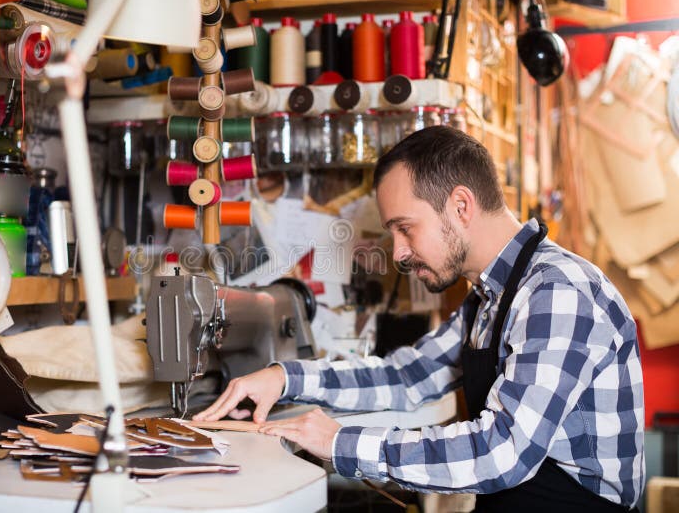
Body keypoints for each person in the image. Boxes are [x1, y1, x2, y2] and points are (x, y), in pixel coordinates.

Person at [194, 126, 644, 512]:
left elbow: (502, 451)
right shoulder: (490, 296)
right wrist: (286, 378)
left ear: (461, 206)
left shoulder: (556, 291)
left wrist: (340, 442)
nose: (399, 253)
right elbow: (407, 376)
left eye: (405, 228)